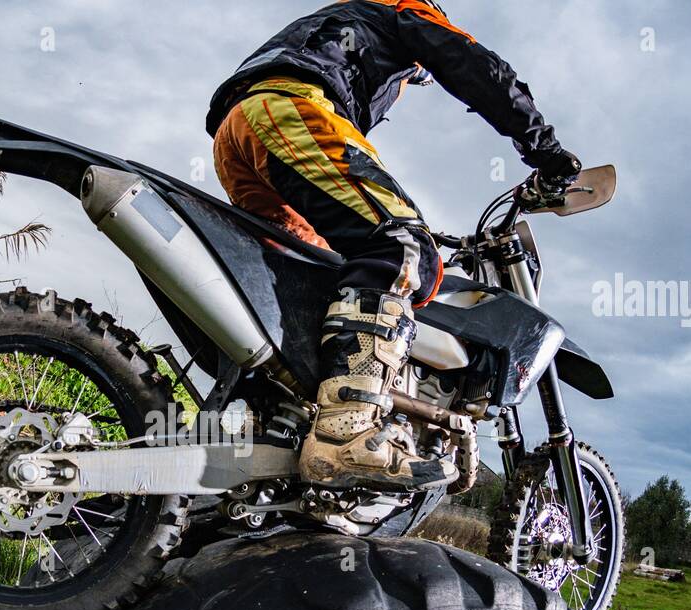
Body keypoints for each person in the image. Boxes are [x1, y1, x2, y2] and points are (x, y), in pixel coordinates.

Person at [208, 0, 581, 489]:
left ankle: (274, 432)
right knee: (403, 246)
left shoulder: (336, 26)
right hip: (289, 110)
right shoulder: (404, 9)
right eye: (414, 77)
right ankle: (346, 433)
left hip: (239, 134)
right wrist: (547, 152)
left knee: (316, 277)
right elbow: (475, 66)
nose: (411, 82)